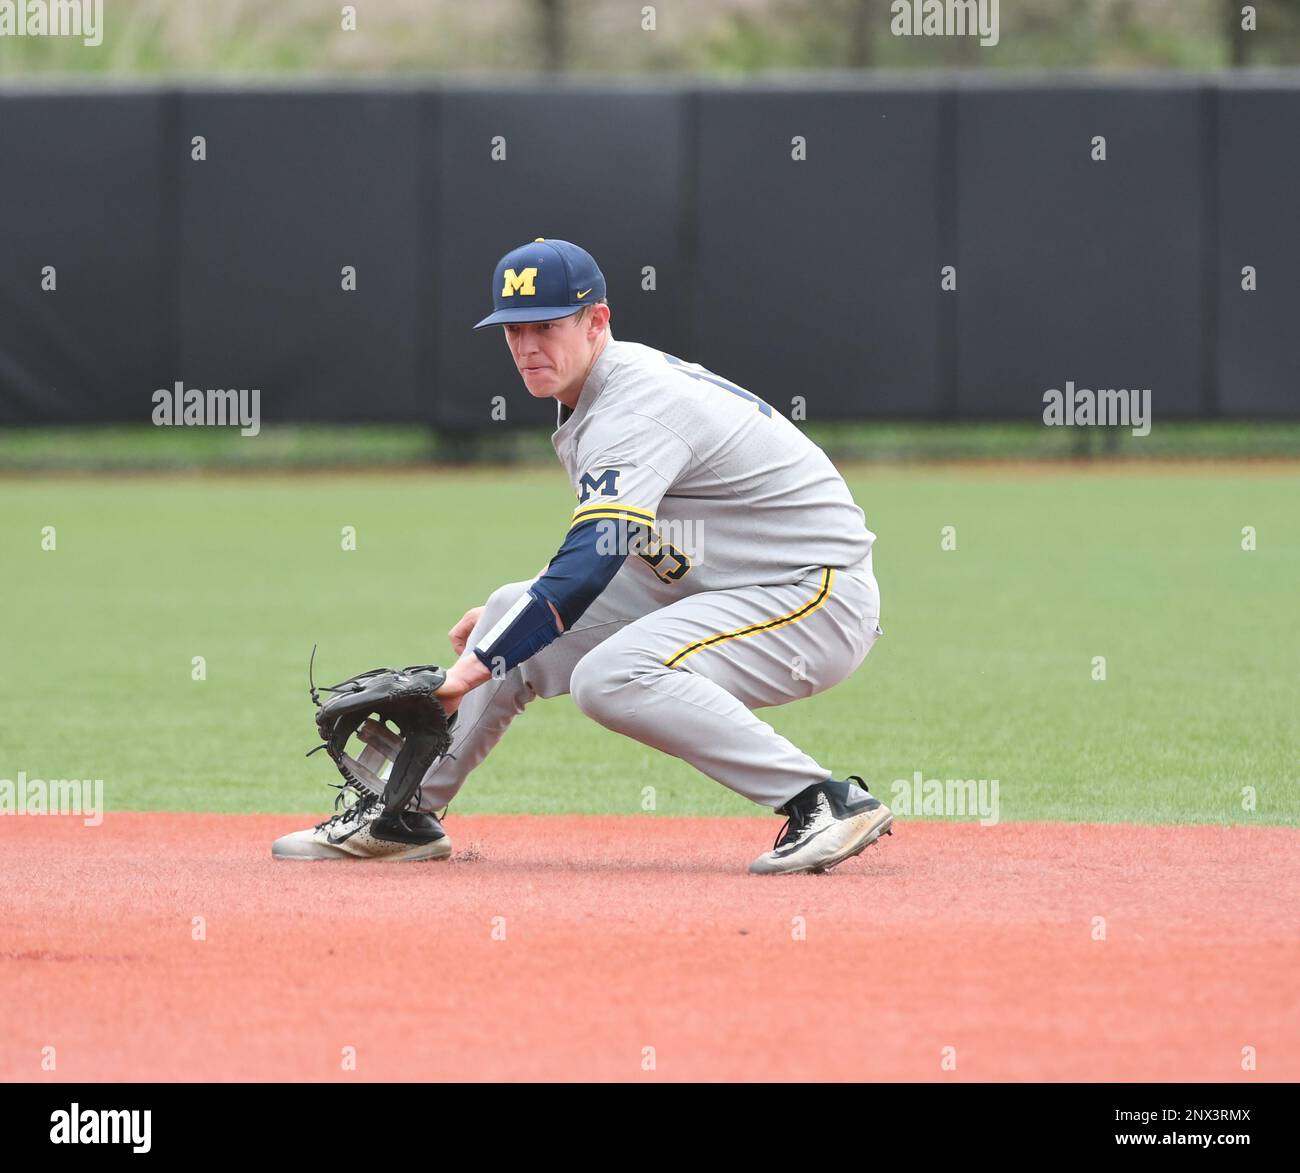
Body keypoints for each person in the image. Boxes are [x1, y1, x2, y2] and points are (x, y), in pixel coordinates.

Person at [273, 238, 893, 874]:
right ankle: (402, 816)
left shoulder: (638, 404)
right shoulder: (598, 392)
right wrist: (508, 624)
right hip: (728, 584)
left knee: (610, 675)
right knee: (512, 611)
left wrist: (469, 671)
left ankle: (824, 800)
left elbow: (593, 560)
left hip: (814, 597)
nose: (527, 346)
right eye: (513, 329)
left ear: (597, 321)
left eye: (546, 325)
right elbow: (616, 548)